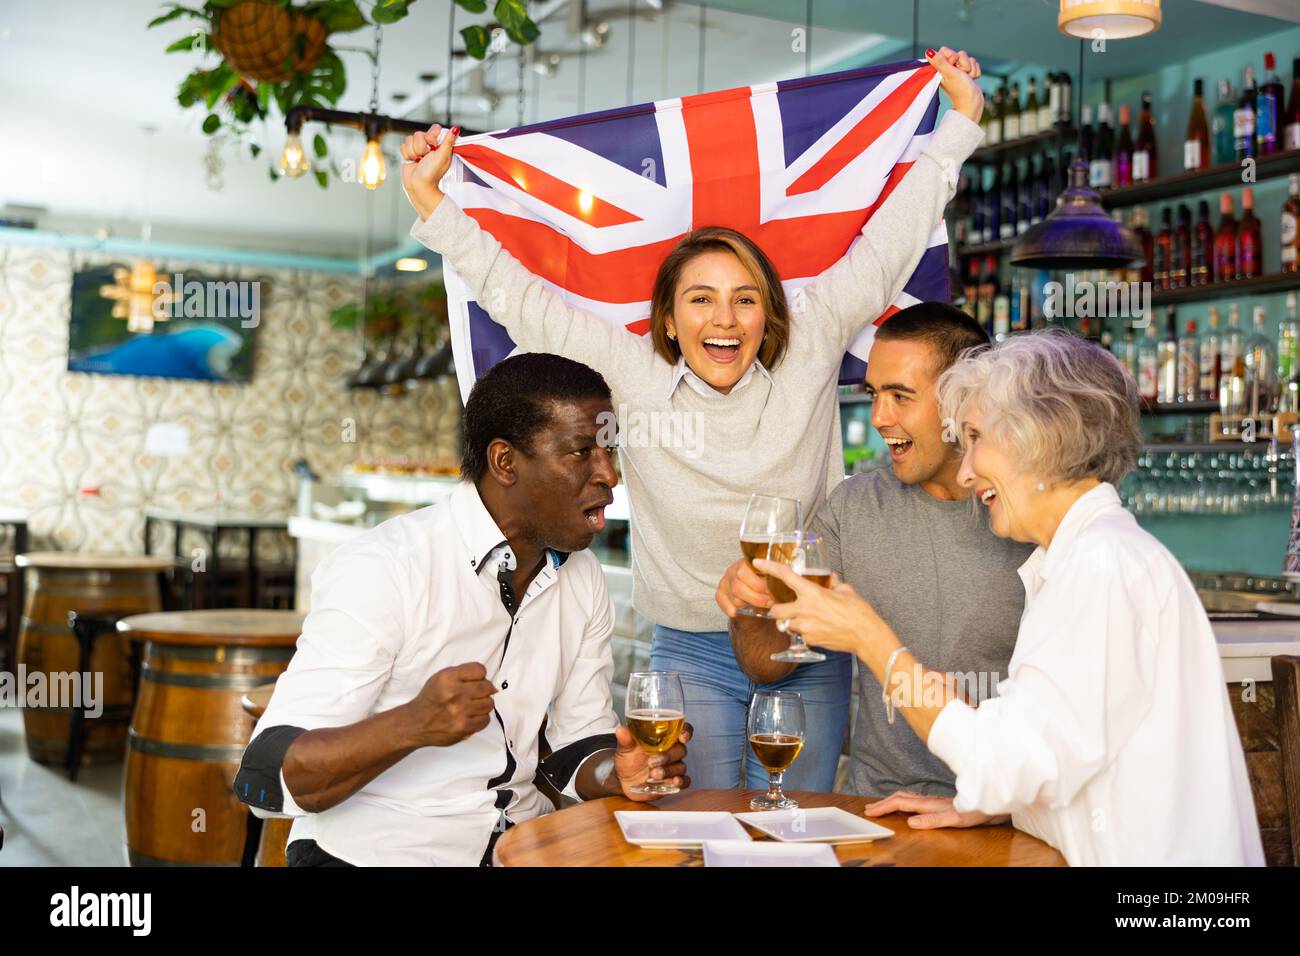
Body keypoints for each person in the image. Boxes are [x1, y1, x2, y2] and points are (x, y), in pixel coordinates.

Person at [399, 49, 987, 791]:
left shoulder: (806, 351)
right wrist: (433, 204)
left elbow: (885, 249)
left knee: (791, 828)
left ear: (768, 311)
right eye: (700, 299)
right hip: (690, 650)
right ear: (670, 322)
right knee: (697, 828)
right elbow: (523, 301)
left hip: (805, 639)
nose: (725, 318)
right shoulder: (633, 376)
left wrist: (960, 122)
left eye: (745, 298)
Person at [758, 331, 1264, 865]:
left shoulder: (1102, 565)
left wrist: (871, 639)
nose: (968, 467)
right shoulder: (1083, 559)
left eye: (975, 436)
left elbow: (1003, 761)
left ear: (1039, 437)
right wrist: (994, 806)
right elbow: (1055, 756)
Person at [233, 353, 692, 866]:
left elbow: (575, 749)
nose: (609, 474)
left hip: (520, 847)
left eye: (609, 450)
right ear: (505, 462)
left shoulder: (583, 581)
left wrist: (618, 772)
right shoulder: (385, 567)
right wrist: (413, 724)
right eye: (581, 451)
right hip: (377, 853)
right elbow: (267, 776)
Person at [715, 302, 1033, 795]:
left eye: (901, 396)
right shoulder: (853, 506)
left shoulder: (1027, 516)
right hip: (883, 807)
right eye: (874, 393)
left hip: (1006, 805)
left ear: (965, 399)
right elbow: (767, 663)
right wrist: (749, 604)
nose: (879, 416)